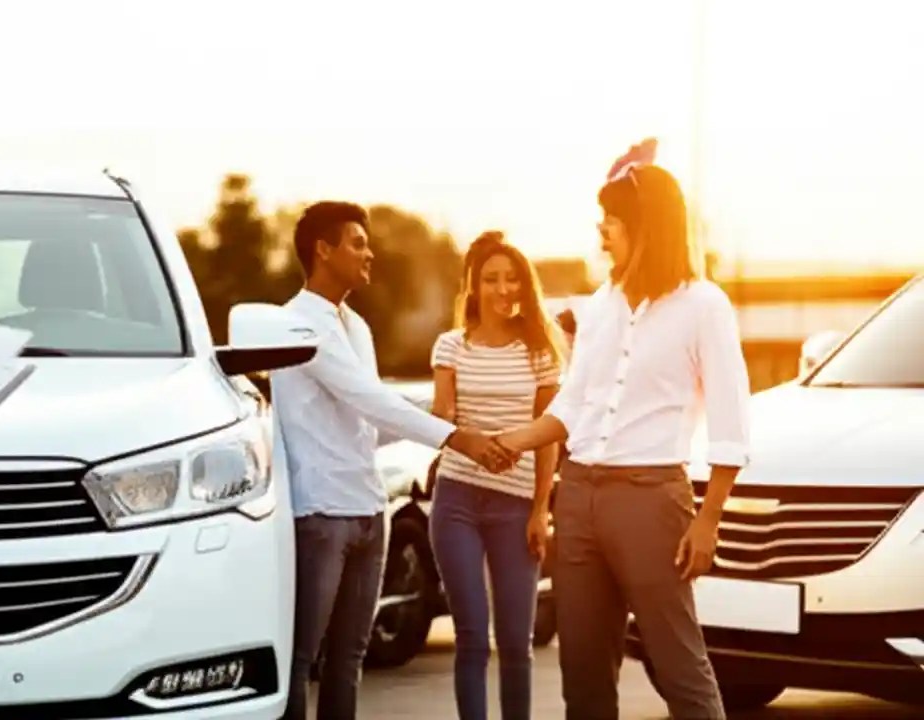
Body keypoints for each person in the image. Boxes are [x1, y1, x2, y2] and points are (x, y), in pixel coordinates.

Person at [491, 142, 751, 719]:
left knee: (680, 668)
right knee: (581, 676)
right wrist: (512, 442)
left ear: (647, 227)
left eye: (612, 220)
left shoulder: (704, 306)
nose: (601, 231)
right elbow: (574, 402)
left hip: (651, 501)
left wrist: (709, 520)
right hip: (578, 497)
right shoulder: (601, 307)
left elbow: (732, 420)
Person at [272, 201, 509, 720]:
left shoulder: (355, 325)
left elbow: (373, 418)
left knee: (349, 657)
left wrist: (453, 404)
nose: (369, 253)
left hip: (367, 510)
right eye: (357, 243)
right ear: (323, 250)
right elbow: (368, 399)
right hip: (319, 515)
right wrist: (455, 436)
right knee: (299, 657)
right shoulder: (295, 325)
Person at [427, 231, 564, 720]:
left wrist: (540, 508)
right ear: (474, 286)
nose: (503, 289)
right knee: (471, 635)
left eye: (512, 280)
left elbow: (549, 437)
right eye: (492, 279)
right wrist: (455, 430)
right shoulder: (451, 347)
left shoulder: (540, 353)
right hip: (457, 499)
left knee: (515, 641)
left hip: (517, 504)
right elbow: (442, 416)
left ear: (526, 287)